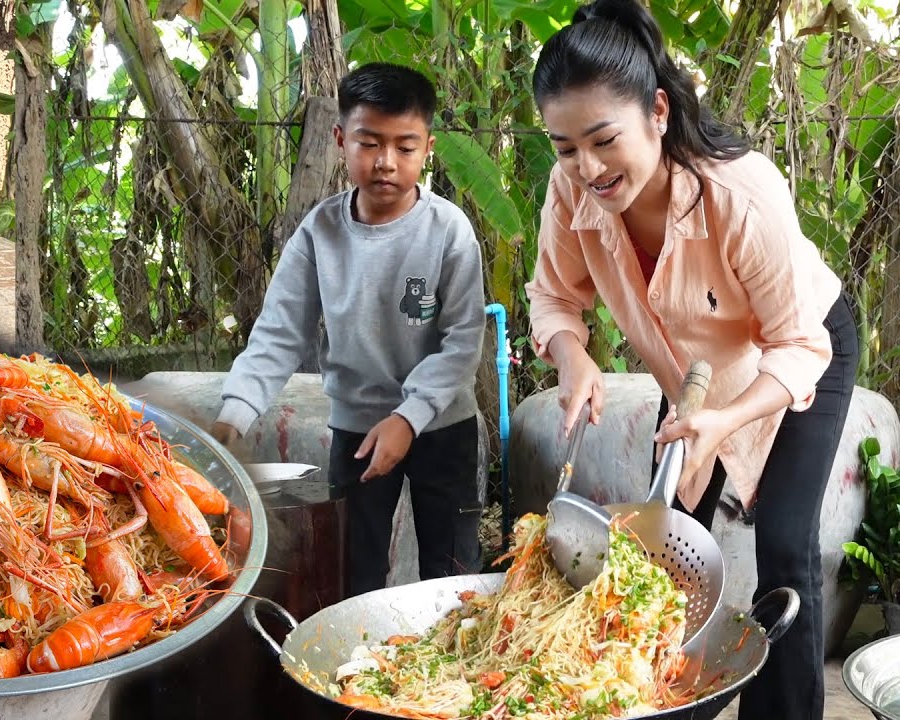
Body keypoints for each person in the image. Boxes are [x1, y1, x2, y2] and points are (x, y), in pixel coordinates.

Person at [524, 1, 859, 719]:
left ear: (658, 112)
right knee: (656, 545)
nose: (587, 167)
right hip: (693, 379)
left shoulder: (740, 191)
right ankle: (658, 702)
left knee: (785, 545)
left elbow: (798, 344)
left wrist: (727, 420)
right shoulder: (568, 192)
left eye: (603, 139)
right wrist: (572, 355)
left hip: (798, 352)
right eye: (564, 147)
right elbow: (553, 297)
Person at [209, 62, 487, 597]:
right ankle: (360, 677)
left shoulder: (449, 231)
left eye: (405, 147)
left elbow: (461, 343)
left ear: (427, 147)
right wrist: (233, 417)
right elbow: (278, 334)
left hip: (442, 428)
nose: (386, 162)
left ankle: (448, 679)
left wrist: (409, 418)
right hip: (357, 432)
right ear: (341, 139)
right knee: (354, 576)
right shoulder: (320, 233)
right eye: (369, 143)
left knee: (452, 577)